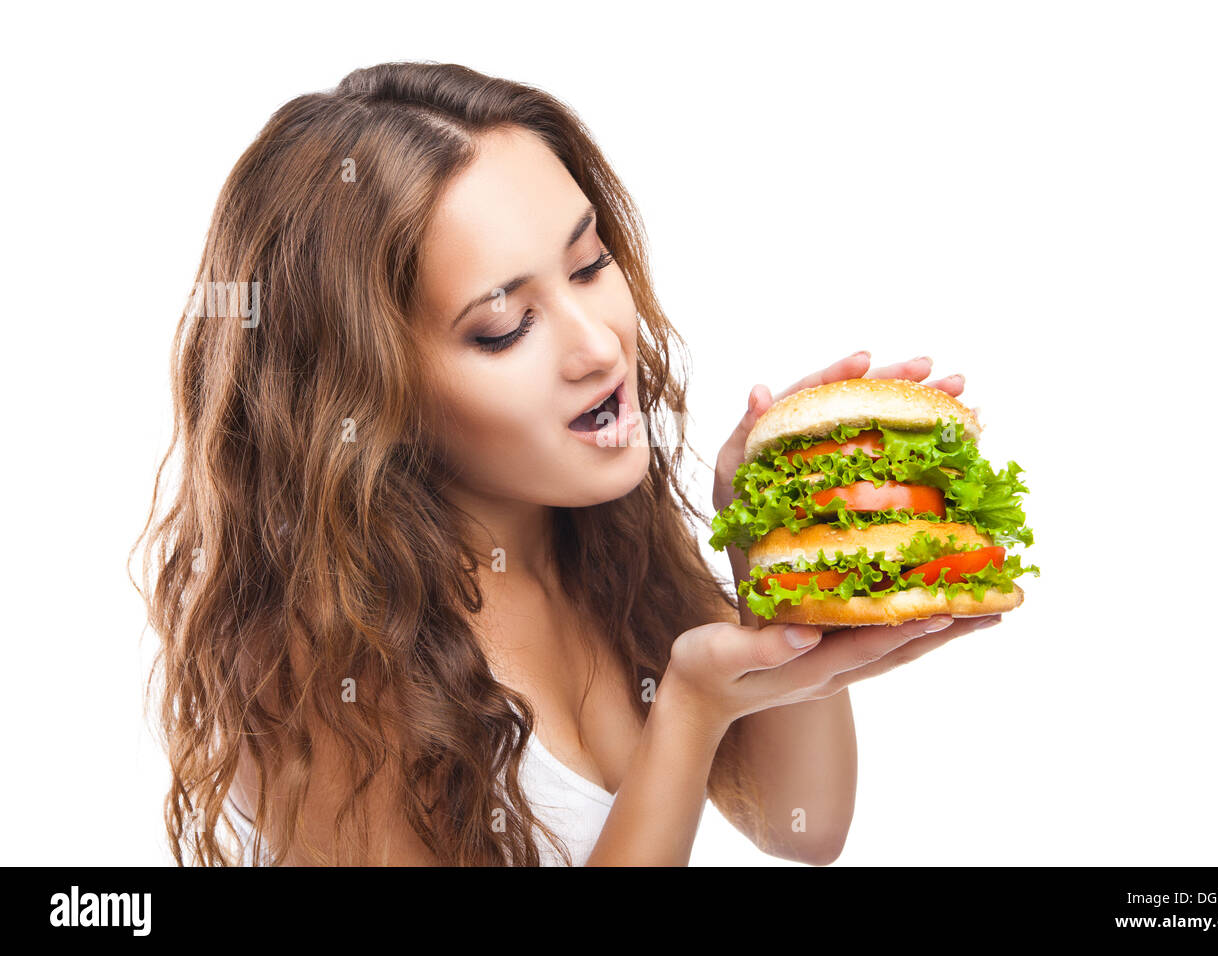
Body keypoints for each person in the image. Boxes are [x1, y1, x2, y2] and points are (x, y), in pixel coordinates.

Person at [132, 60, 996, 867]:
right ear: (367, 395)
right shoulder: (313, 661)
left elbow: (803, 825)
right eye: (506, 327)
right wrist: (688, 714)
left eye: (589, 266)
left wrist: (767, 552)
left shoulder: (608, 536)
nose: (597, 347)